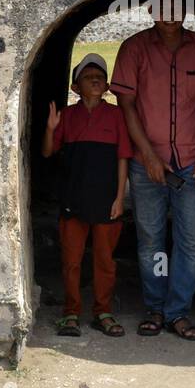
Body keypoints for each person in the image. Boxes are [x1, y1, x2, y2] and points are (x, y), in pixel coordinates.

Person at [110, 0, 195, 341]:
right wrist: (147, 154)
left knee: (189, 241)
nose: (169, 15)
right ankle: (155, 306)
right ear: (150, 10)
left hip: (191, 164)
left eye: (177, 7)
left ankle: (178, 312)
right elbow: (127, 106)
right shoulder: (134, 48)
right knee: (152, 241)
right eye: (162, 8)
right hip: (146, 164)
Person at [42, 53, 131, 337]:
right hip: (73, 199)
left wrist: (120, 198)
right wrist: (50, 128)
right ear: (75, 87)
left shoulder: (117, 115)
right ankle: (71, 313)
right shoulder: (67, 117)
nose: (95, 79)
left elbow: (122, 159)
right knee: (72, 261)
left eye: (100, 77)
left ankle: (103, 312)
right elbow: (47, 152)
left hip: (106, 200)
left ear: (106, 86)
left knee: (105, 261)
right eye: (87, 76)